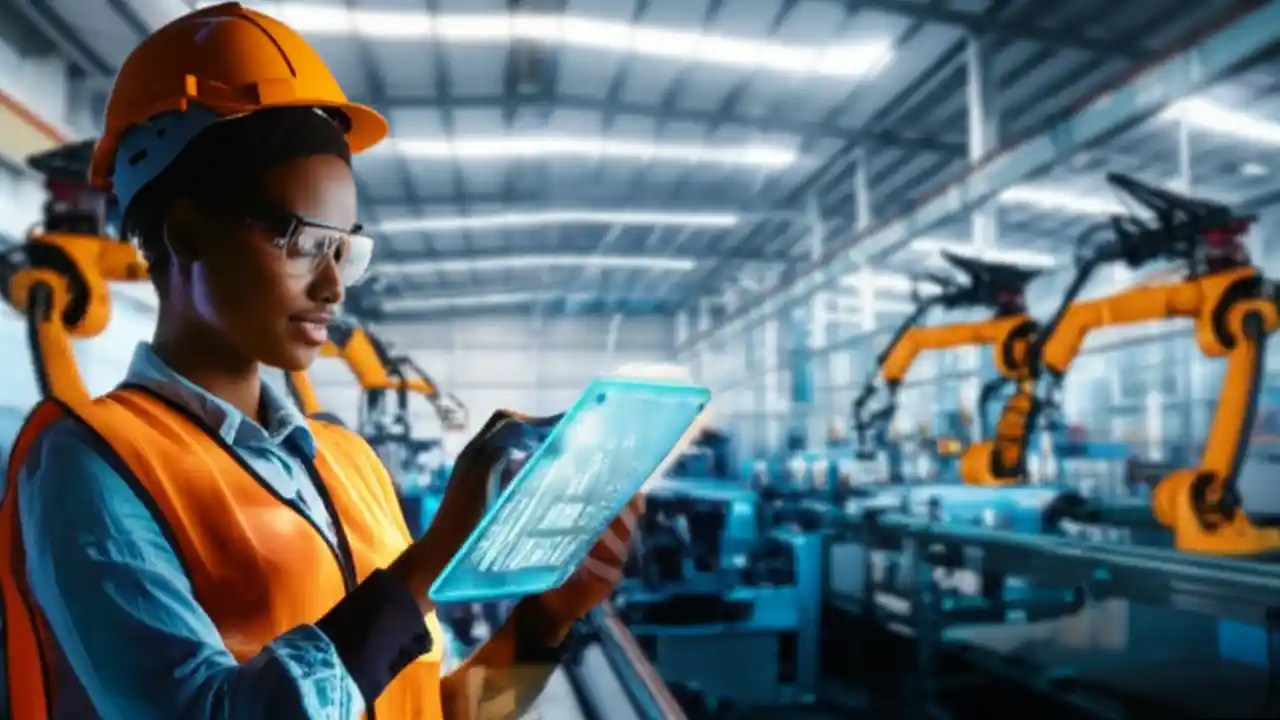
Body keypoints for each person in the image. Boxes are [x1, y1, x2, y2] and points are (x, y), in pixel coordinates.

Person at [0, 3, 640, 719]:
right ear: (185, 234)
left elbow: (441, 708)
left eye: (345, 249)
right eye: (304, 242)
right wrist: (429, 564)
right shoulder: (92, 466)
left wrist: (544, 624)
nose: (334, 286)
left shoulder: (350, 463)